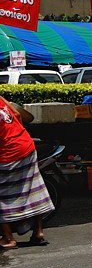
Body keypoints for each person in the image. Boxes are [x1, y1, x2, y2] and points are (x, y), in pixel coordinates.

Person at [0, 95, 53, 249]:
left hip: (8, 154)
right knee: (33, 189)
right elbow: (16, 114)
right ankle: (38, 232)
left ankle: (8, 238)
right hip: (26, 145)